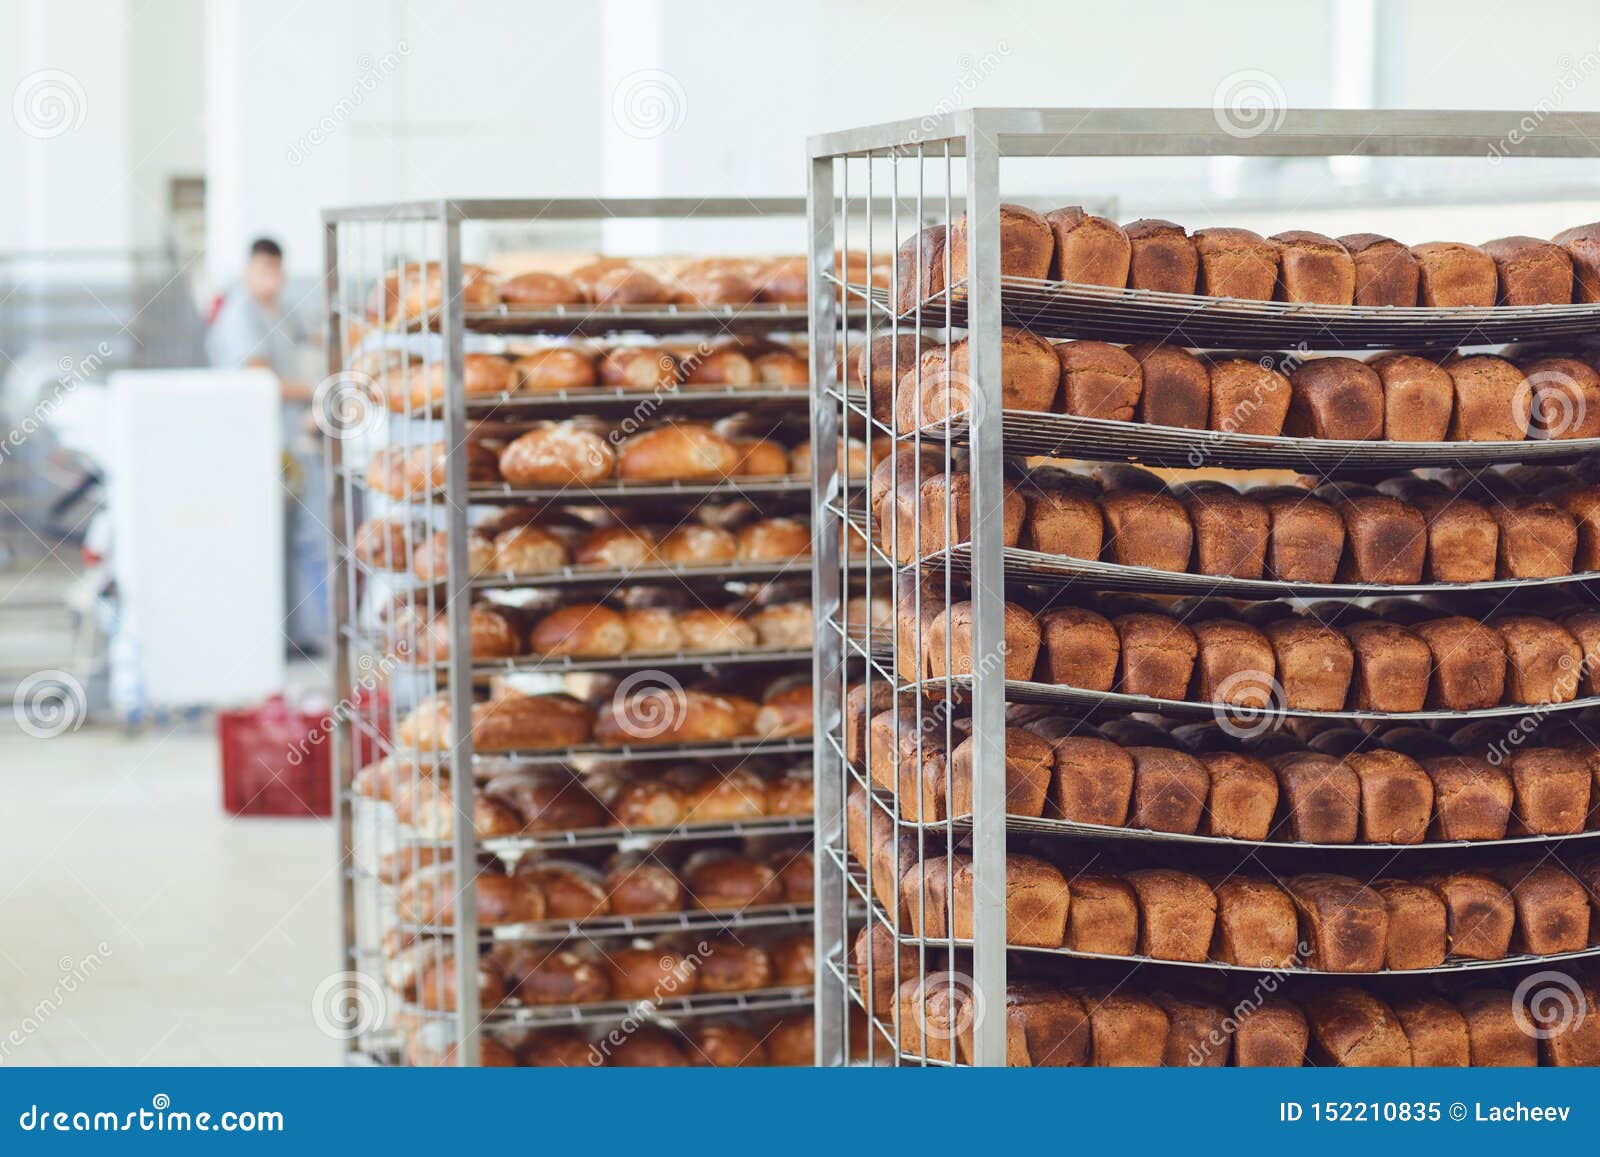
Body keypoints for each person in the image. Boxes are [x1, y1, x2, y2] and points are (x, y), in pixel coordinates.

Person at [206, 237, 327, 657]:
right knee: (270, 539)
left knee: (306, 539)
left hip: (293, 443)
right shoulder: (241, 312)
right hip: (258, 444)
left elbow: (311, 343)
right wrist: (317, 393)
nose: (269, 279)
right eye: (262, 271)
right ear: (248, 269)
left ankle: (304, 633)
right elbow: (262, 379)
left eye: (275, 271)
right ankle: (271, 638)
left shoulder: (283, 309)